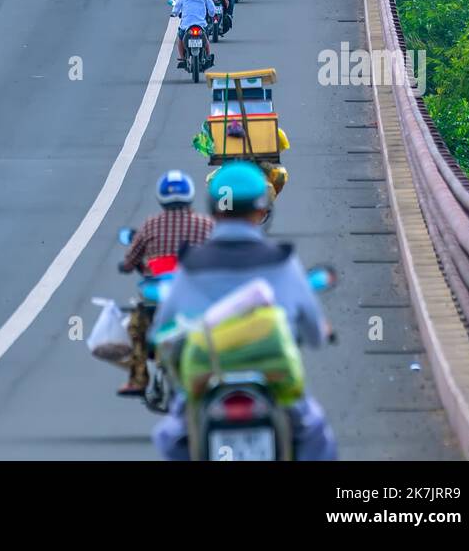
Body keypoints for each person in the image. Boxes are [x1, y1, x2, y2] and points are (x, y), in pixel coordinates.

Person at [150, 162, 337, 462]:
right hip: (272, 380)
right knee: (315, 433)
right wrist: (320, 333)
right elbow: (314, 333)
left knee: (170, 438)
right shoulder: (282, 262)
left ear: (213, 209)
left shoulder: (190, 265)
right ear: (261, 211)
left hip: (207, 377)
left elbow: (161, 332)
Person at [116, 172, 214, 397]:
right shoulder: (206, 224)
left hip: (158, 295)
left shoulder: (151, 225)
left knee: (136, 327)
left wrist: (128, 265)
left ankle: (139, 379)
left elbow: (131, 260)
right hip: (196, 294)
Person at [170, 0, 216, 70]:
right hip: (201, 25)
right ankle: (207, 56)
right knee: (206, 40)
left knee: (180, 39)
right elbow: (212, 11)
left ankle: (183, 59)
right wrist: (211, 15)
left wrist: (174, 14)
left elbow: (176, 9)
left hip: (186, 26)